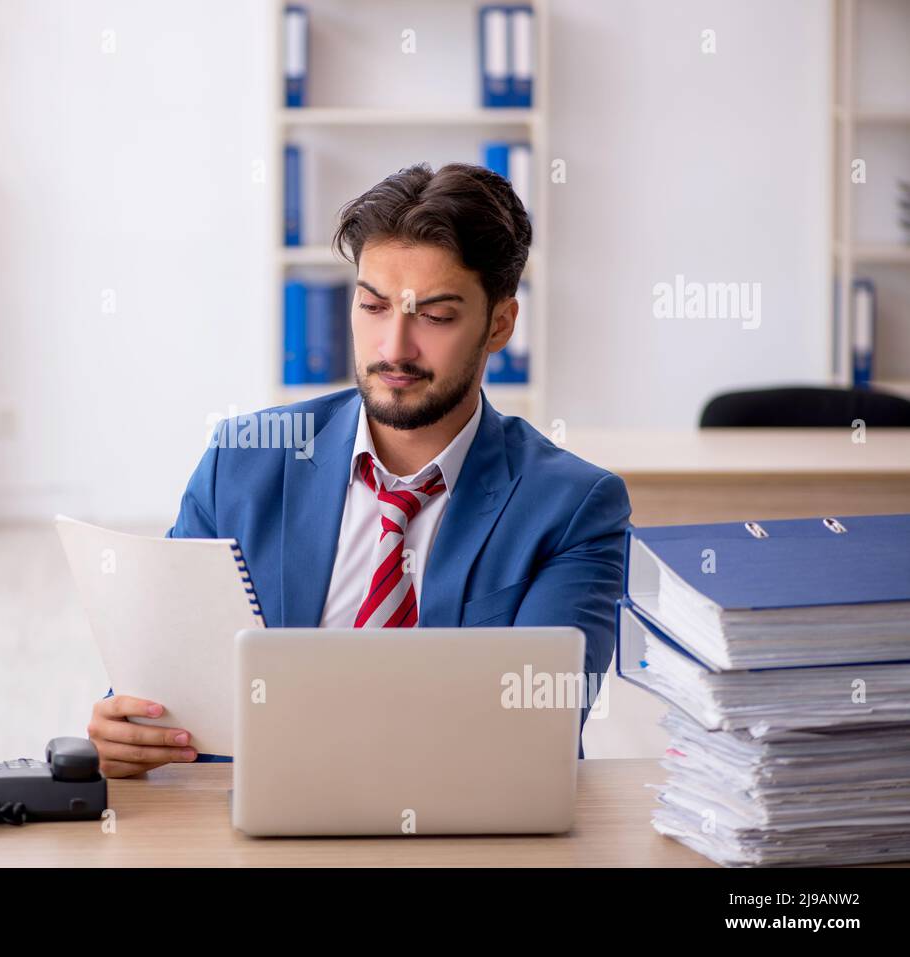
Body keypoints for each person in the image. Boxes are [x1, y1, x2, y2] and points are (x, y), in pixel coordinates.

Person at [88, 162, 632, 778]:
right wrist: (127, 725)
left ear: (499, 324)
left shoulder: (574, 508)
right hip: (253, 827)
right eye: (373, 306)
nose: (393, 348)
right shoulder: (241, 461)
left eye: (435, 316)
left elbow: (538, 730)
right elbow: (166, 678)